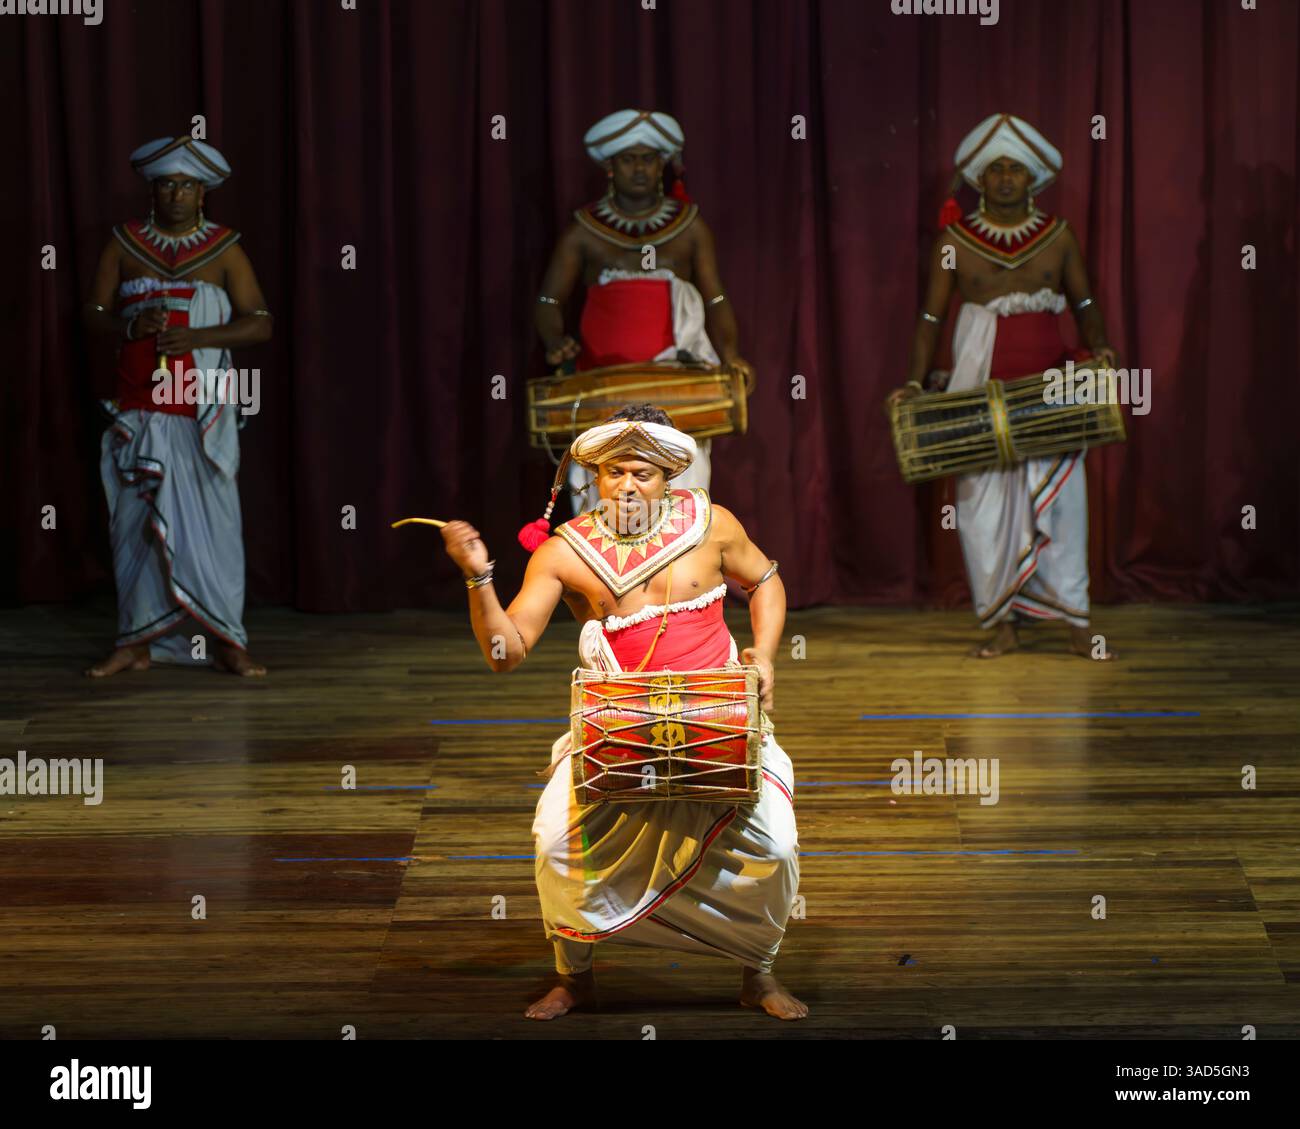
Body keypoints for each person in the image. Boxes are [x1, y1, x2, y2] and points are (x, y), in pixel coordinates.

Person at [441, 404, 806, 1021]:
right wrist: (480, 580)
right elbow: (507, 653)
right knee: (557, 844)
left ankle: (758, 972)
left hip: (720, 721)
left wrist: (764, 656)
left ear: (668, 475)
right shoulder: (565, 553)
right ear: (595, 478)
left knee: (773, 849)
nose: (627, 485)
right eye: (614, 473)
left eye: (641, 472)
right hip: (621, 731)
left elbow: (765, 579)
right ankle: (575, 978)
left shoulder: (712, 525)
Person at [890, 113, 1119, 660]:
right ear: (979, 180)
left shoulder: (1059, 236)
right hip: (977, 392)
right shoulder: (956, 240)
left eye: (1016, 169)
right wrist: (914, 383)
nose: (1006, 178)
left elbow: (1084, 302)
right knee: (980, 509)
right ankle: (1000, 626)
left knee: (1064, 504)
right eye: (996, 170)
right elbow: (930, 318)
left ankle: (1076, 623)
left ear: (1033, 176)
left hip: (1052, 393)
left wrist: (1101, 348)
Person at [83, 136, 272, 677]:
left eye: (187, 185)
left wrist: (198, 336)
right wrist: (126, 323)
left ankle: (227, 642)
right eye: (167, 184)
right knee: (135, 518)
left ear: (203, 193)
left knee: (213, 520)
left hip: (200, 405)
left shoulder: (224, 247)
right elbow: (91, 312)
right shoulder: (124, 243)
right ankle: (135, 641)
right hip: (140, 401)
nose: (176, 194)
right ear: (153, 189)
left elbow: (261, 322)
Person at [534, 109, 753, 513]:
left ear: (662, 166)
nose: (640, 168)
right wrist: (554, 341)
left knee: (681, 484)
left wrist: (732, 354)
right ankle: (604, 573)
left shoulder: (689, 227)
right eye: (628, 159)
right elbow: (549, 301)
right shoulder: (584, 231)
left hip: (678, 378)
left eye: (649, 159)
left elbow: (715, 297)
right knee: (604, 484)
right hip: (602, 382)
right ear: (611, 167)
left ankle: (679, 571)